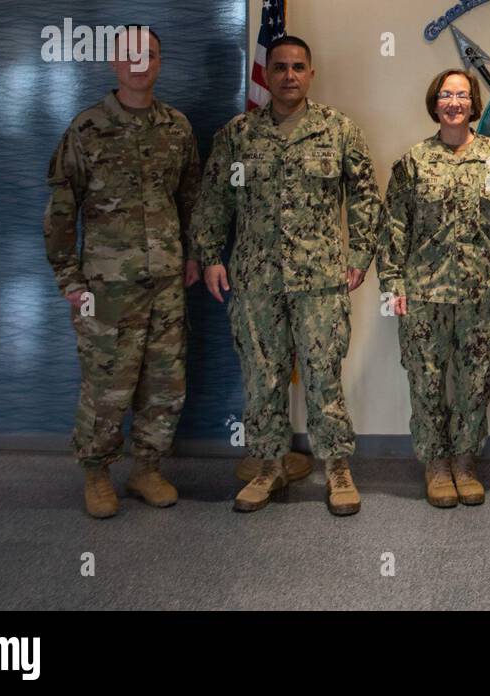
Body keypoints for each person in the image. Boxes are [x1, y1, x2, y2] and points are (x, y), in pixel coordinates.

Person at [190, 34, 381, 515]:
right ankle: (268, 466)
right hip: (254, 281)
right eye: (279, 67)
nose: (289, 75)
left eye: (298, 67)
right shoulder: (238, 134)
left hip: (319, 280)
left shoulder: (337, 130)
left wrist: (359, 255)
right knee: (262, 379)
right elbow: (214, 198)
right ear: (266, 74)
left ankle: (337, 469)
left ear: (311, 74)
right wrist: (211, 254)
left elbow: (364, 196)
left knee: (323, 378)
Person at [43, 26, 202, 518]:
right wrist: (69, 277)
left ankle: (146, 469)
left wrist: (194, 255)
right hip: (106, 287)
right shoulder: (86, 128)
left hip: (167, 283)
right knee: (107, 385)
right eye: (130, 55)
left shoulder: (177, 127)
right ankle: (97, 473)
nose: (140, 63)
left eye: (149, 54)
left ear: (159, 62)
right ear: (115, 63)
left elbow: (192, 199)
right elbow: (60, 210)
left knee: (166, 383)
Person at [378, 70, 490, 507]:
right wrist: (392, 283)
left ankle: (464, 461)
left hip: (483, 294)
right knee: (426, 382)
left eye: (462, 95)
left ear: (473, 102)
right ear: (435, 102)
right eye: (446, 95)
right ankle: (436, 464)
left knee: (475, 383)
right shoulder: (414, 162)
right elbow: (394, 228)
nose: (454, 102)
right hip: (424, 295)